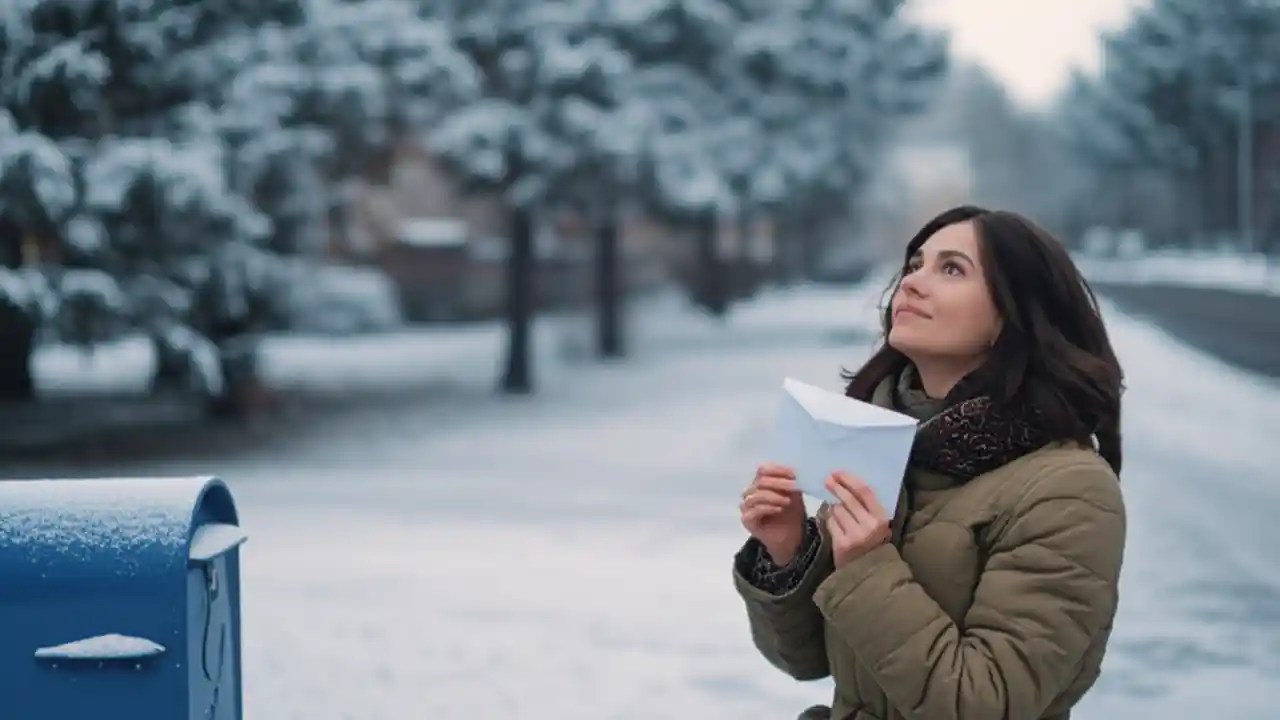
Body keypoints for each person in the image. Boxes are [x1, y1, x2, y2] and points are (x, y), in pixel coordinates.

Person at [733, 206, 1126, 720]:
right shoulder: (880, 444)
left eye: (952, 269)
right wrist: (788, 552)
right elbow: (808, 660)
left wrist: (867, 566)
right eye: (915, 264)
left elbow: (985, 703)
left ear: (1013, 314)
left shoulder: (1069, 491)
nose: (913, 282)